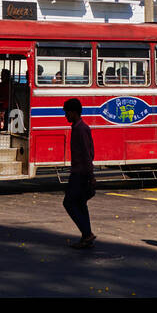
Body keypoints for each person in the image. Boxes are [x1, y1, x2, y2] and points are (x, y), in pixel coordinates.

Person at [61, 98, 96, 248]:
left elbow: (87, 154)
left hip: (80, 173)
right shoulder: (78, 127)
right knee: (80, 203)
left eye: (67, 113)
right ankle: (86, 235)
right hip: (80, 171)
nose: (65, 116)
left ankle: (87, 233)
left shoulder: (81, 129)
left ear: (74, 112)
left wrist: (90, 175)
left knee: (69, 202)